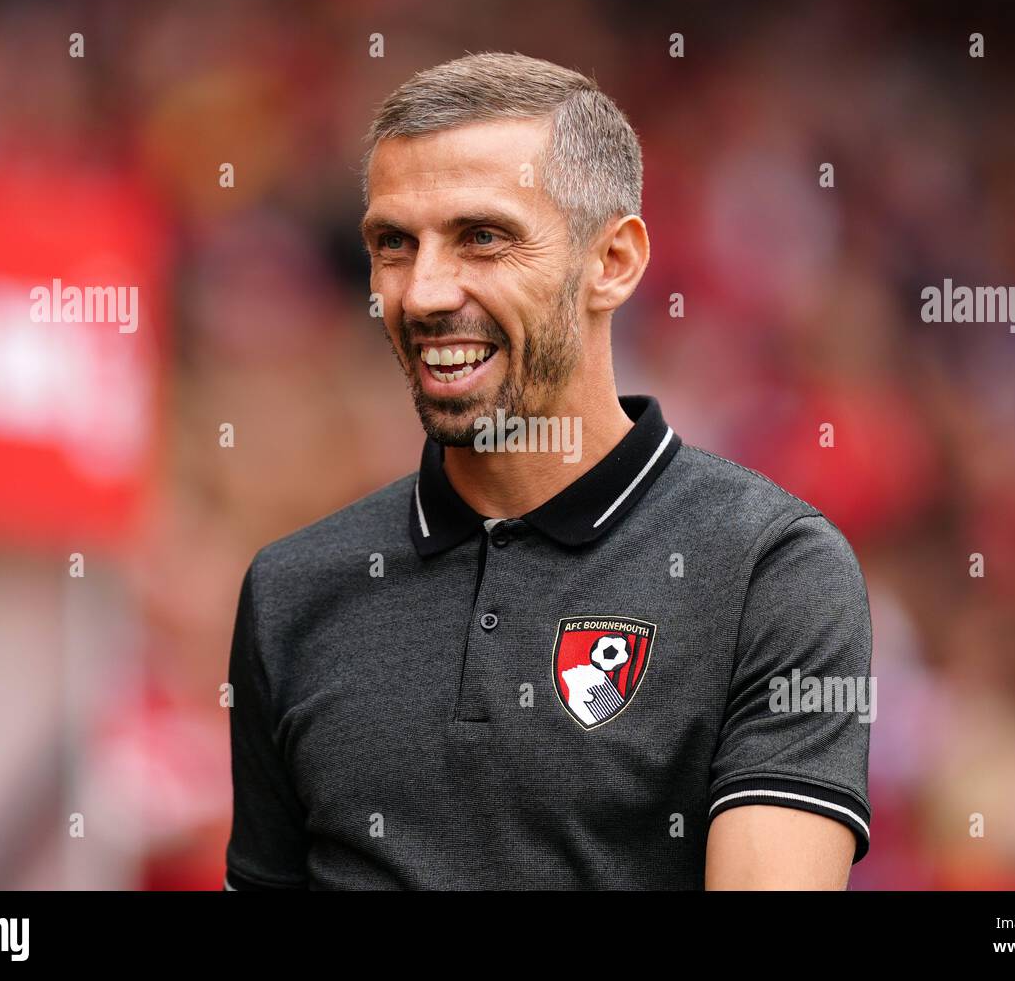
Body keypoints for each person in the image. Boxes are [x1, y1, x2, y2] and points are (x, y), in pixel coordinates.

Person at [224, 52, 871, 890]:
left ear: (614, 261)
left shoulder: (773, 571)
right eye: (394, 243)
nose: (422, 293)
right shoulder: (291, 591)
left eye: (482, 238)